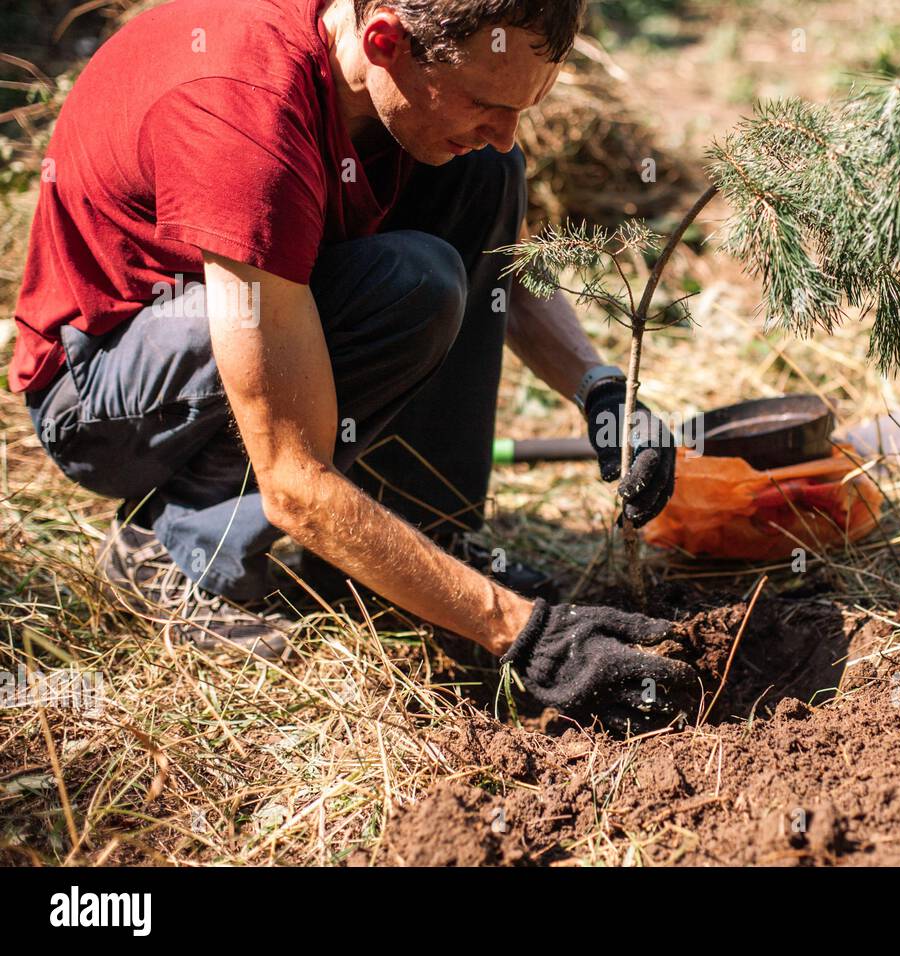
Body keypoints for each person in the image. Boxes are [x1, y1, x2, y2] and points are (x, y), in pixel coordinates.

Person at [12, 0, 698, 732]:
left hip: (245, 305)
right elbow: (293, 477)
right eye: (487, 103)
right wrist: (523, 634)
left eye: (523, 106)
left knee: (484, 176)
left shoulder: (386, 81)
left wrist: (600, 389)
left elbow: (501, 271)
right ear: (384, 41)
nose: (506, 130)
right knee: (413, 284)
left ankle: (416, 533)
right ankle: (179, 545)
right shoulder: (247, 116)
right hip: (105, 392)